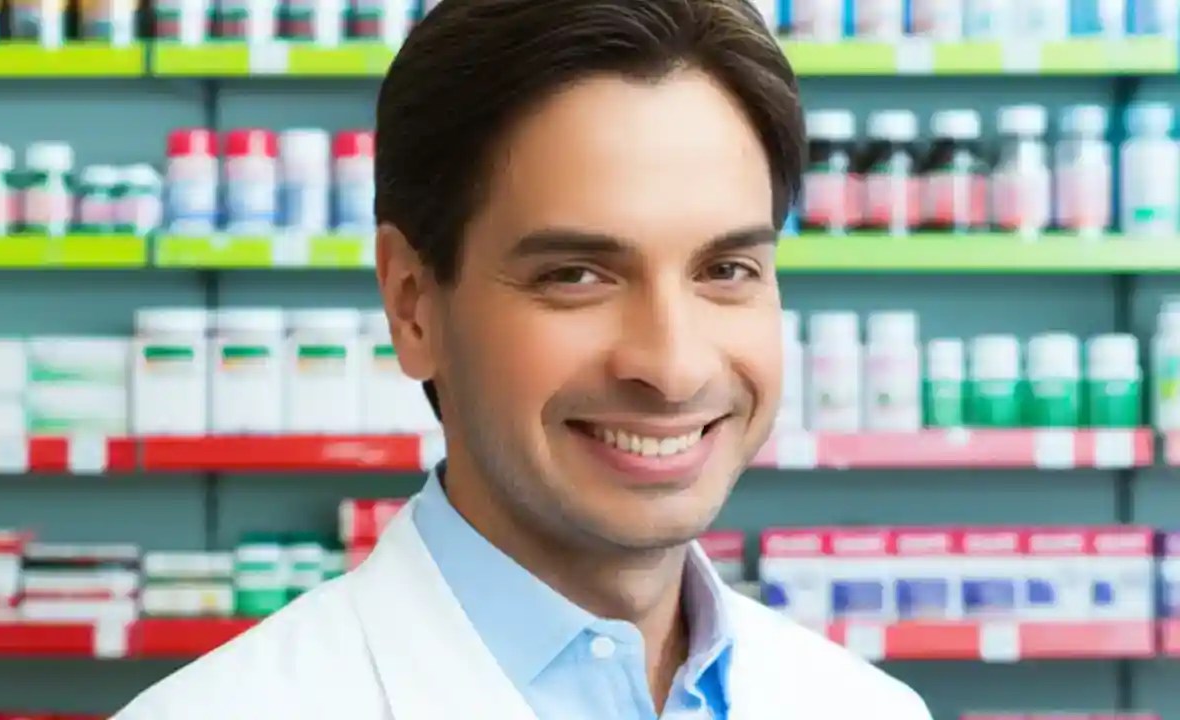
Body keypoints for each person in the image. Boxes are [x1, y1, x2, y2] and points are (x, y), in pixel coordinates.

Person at [111, 1, 932, 718]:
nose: (674, 367)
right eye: (576, 276)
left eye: (726, 271)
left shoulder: (864, 707)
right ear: (412, 303)